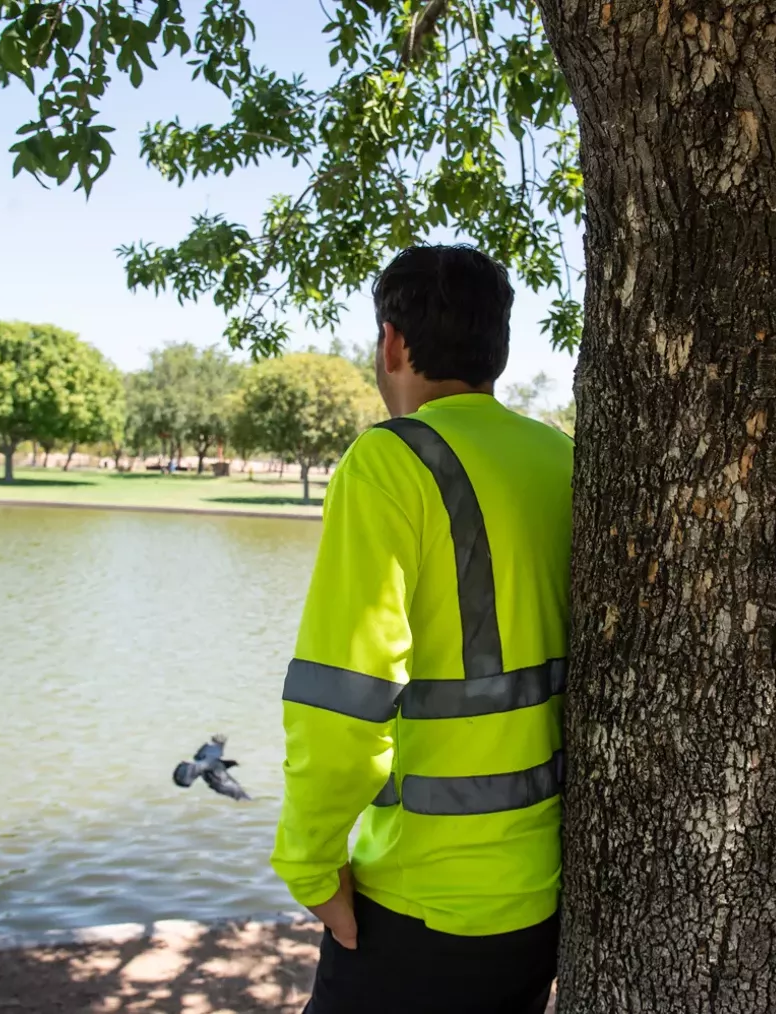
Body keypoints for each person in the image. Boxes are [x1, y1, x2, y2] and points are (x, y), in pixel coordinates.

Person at [272, 245, 575, 1014]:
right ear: (497, 348)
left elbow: (343, 694)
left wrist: (311, 866)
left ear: (393, 343)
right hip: (543, 897)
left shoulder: (389, 461)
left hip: (423, 905)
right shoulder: (561, 458)